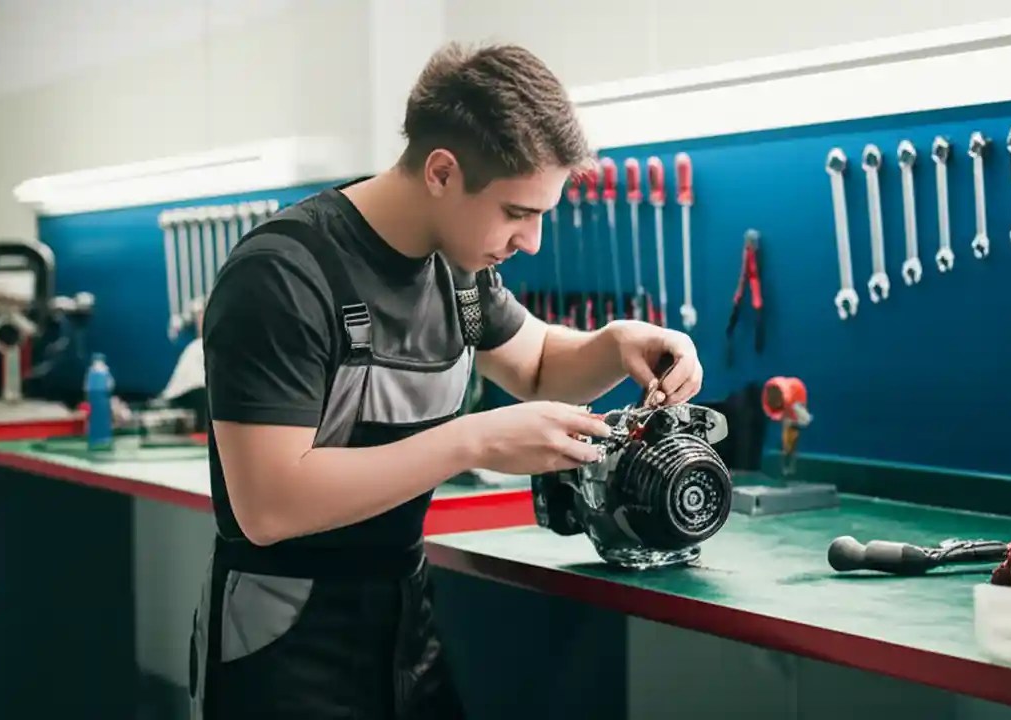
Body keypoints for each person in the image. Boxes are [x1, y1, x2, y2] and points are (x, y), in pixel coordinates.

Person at [188, 41, 704, 719]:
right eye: (518, 213)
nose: (533, 241)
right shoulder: (282, 278)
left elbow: (541, 365)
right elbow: (268, 507)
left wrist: (617, 344)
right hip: (285, 636)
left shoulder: (456, 271)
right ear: (440, 172)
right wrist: (473, 442)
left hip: (407, 624)